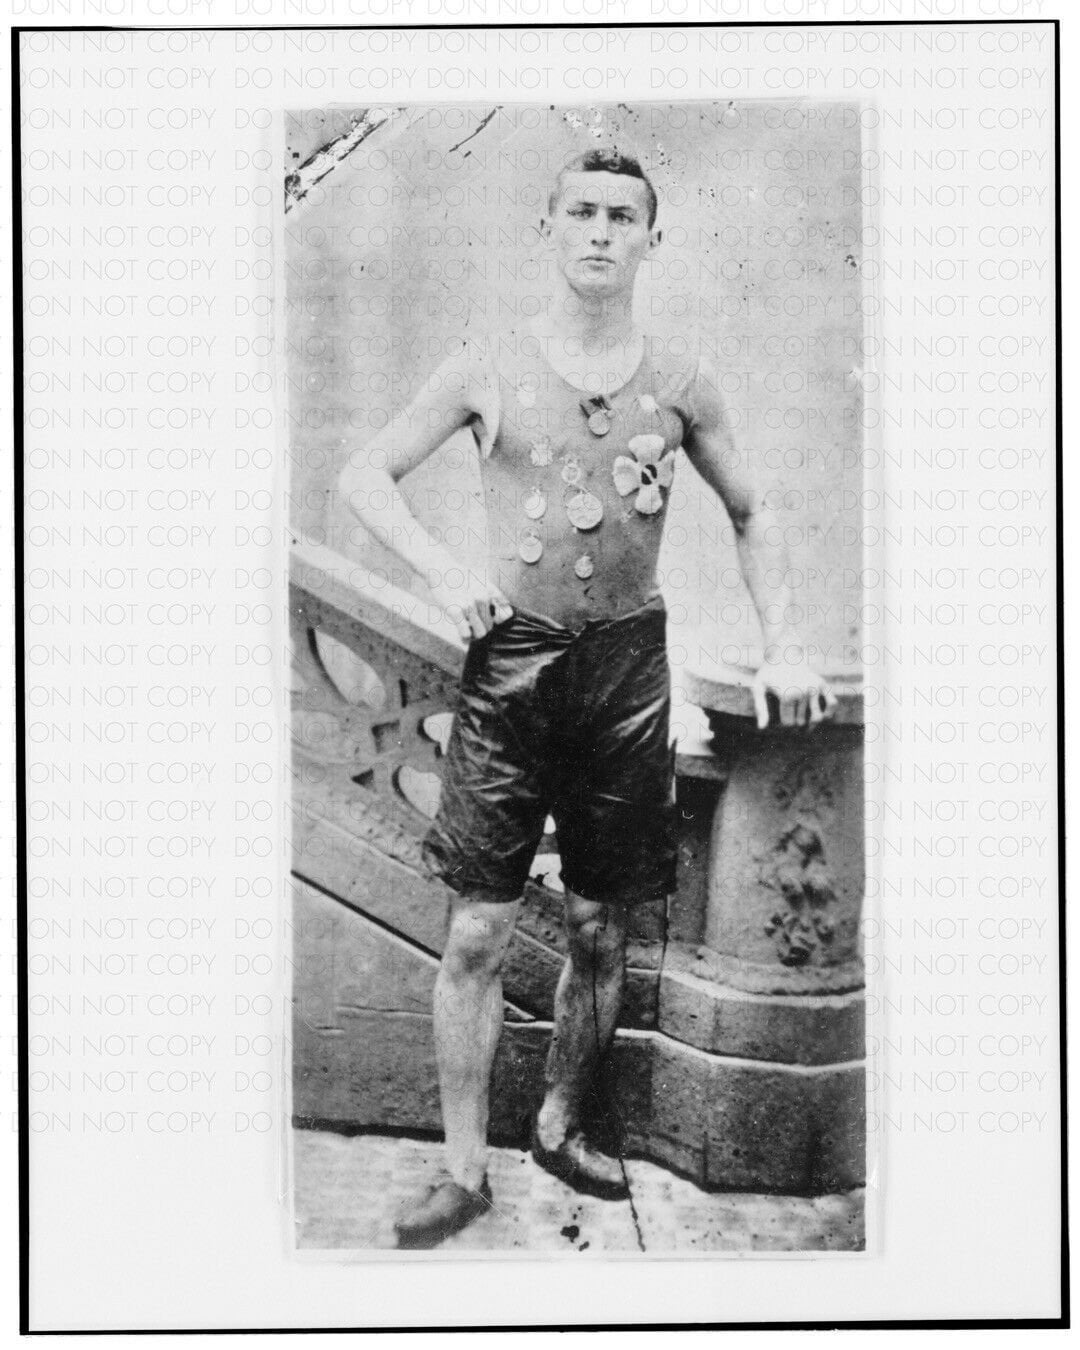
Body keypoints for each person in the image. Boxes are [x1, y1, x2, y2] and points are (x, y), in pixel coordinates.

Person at [339, 148, 837, 1248]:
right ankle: (465, 1171)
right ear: (549, 229)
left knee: (604, 929)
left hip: (625, 672)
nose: (602, 231)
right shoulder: (486, 367)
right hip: (514, 671)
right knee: (477, 932)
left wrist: (784, 643)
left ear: (651, 242)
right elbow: (364, 475)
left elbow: (755, 511)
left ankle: (564, 1124)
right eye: (582, 212)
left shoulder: (682, 383)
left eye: (624, 216)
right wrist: (443, 569)